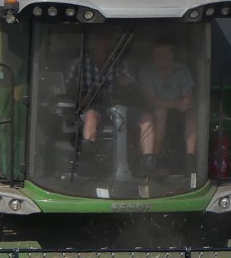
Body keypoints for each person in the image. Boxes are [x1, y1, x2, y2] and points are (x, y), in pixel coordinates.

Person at [65, 32, 154, 170]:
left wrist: (126, 83)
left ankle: (148, 161)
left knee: (147, 118)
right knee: (91, 116)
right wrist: (78, 98)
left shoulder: (120, 64)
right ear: (94, 47)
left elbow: (135, 85)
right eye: (103, 48)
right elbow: (66, 88)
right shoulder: (79, 63)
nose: (107, 52)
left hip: (120, 108)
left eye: (110, 48)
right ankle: (89, 154)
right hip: (93, 108)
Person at [138, 40, 196, 171]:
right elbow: (151, 99)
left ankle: (190, 156)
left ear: (172, 55)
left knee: (192, 113)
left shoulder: (182, 70)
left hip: (178, 108)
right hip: (154, 109)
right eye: (158, 55)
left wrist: (186, 100)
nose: (161, 59)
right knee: (160, 112)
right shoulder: (146, 72)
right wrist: (174, 104)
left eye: (164, 55)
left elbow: (187, 92)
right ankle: (156, 158)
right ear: (153, 56)